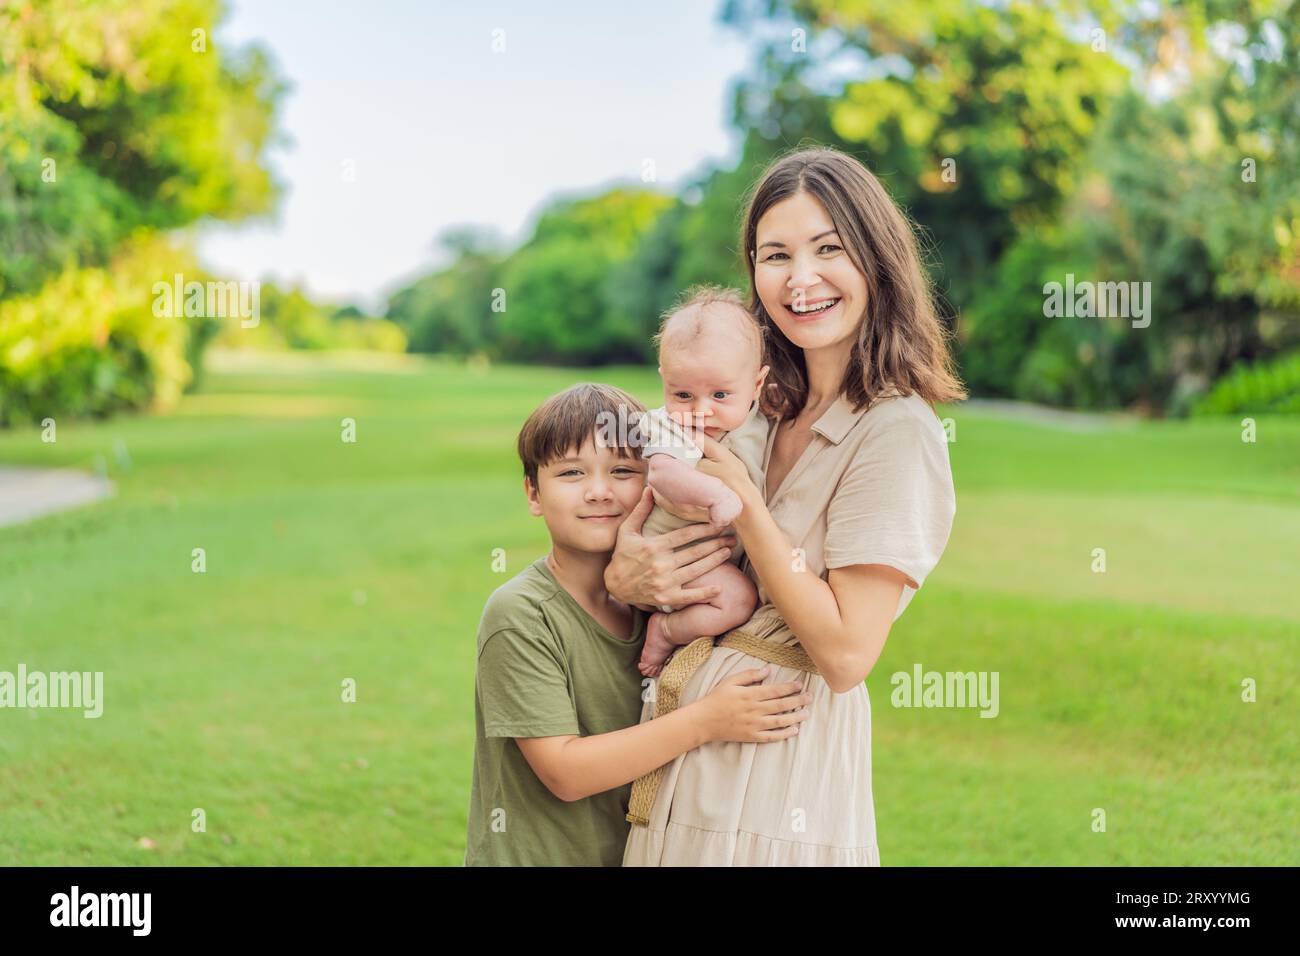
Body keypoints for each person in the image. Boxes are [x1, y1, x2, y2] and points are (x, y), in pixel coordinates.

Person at [608, 147, 965, 866]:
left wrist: (746, 509)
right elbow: (647, 519)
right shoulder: (751, 407)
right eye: (776, 255)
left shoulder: (896, 431)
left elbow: (844, 653)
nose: (801, 279)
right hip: (687, 752)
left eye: (828, 248)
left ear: (876, 259)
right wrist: (627, 571)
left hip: (782, 771)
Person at [464, 382, 811, 866]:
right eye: (570, 473)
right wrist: (709, 720)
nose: (599, 491)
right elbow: (565, 772)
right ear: (533, 493)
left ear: (656, 477)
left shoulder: (673, 609)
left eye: (624, 470)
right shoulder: (522, 613)